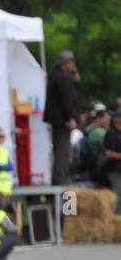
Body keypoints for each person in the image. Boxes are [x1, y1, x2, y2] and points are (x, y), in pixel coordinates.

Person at [44, 50, 80, 186]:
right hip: (62, 119)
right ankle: (61, 177)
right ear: (66, 63)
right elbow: (67, 99)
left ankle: (57, 177)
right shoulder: (63, 77)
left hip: (56, 119)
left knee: (58, 147)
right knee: (63, 149)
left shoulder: (54, 75)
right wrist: (70, 117)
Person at [101, 110, 121, 214]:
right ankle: (118, 223)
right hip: (115, 171)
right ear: (117, 119)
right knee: (119, 197)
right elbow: (108, 153)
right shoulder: (111, 133)